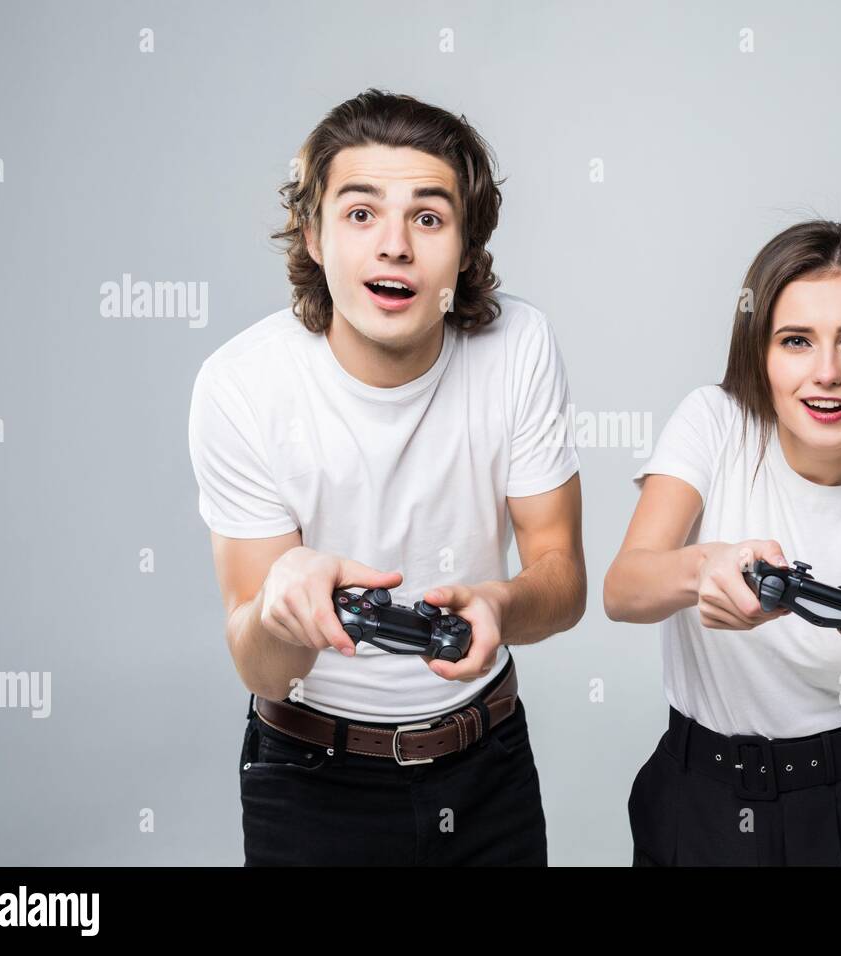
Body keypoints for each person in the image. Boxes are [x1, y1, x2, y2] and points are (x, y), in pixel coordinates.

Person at [187, 89, 585, 865]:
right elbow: (256, 663)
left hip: (485, 765)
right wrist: (281, 609)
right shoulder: (241, 384)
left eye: (429, 218)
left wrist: (502, 603)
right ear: (313, 231)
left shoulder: (520, 347)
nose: (394, 246)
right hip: (309, 779)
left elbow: (561, 580)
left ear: (468, 247)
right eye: (361, 213)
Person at [604, 220, 841, 866]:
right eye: (797, 341)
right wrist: (704, 569)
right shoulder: (714, 423)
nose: (826, 373)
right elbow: (623, 589)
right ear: (761, 355)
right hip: (697, 799)